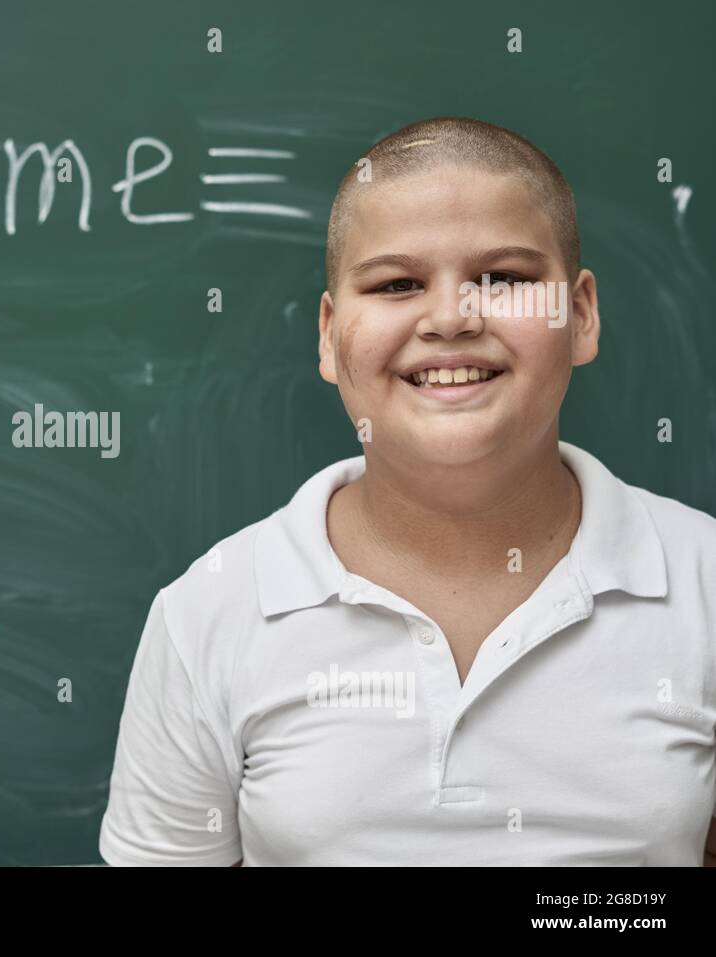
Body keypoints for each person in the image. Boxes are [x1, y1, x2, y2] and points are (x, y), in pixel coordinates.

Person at [98, 117, 716, 866]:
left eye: (505, 279)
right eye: (397, 283)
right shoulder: (209, 614)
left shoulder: (704, 584)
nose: (450, 319)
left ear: (580, 316)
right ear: (329, 336)